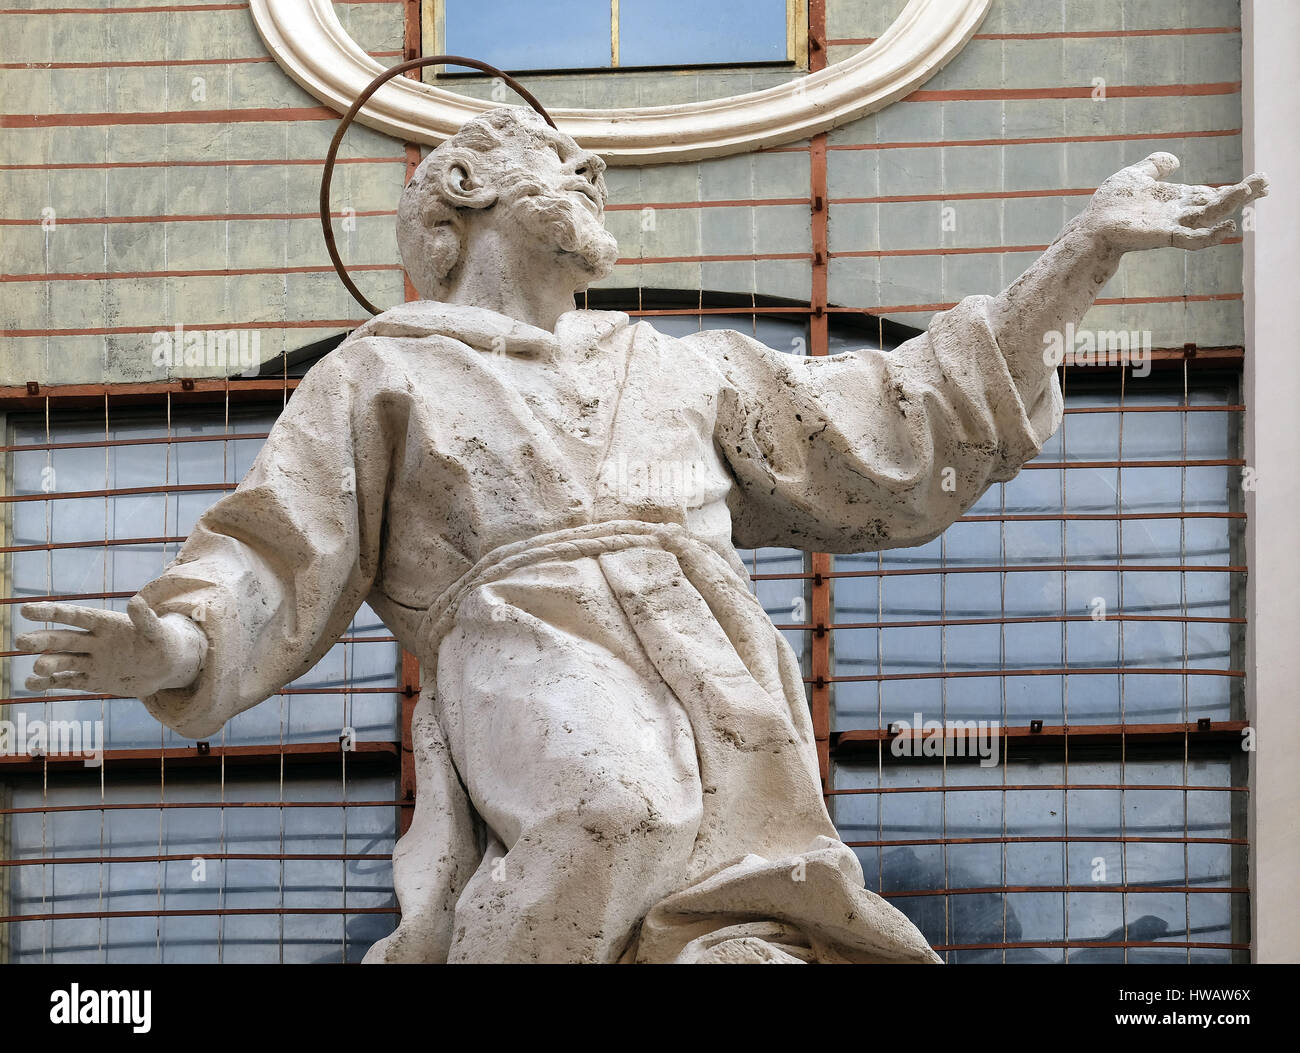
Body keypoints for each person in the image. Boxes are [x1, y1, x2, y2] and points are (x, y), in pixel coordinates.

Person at [18, 107, 1267, 963]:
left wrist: (1082, 253)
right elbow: (281, 544)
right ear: (468, 195)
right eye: (563, 168)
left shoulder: (681, 369)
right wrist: (176, 647)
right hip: (524, 643)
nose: (593, 187)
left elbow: (899, 423)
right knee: (611, 808)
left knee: (743, 938)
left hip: (720, 683)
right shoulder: (382, 373)